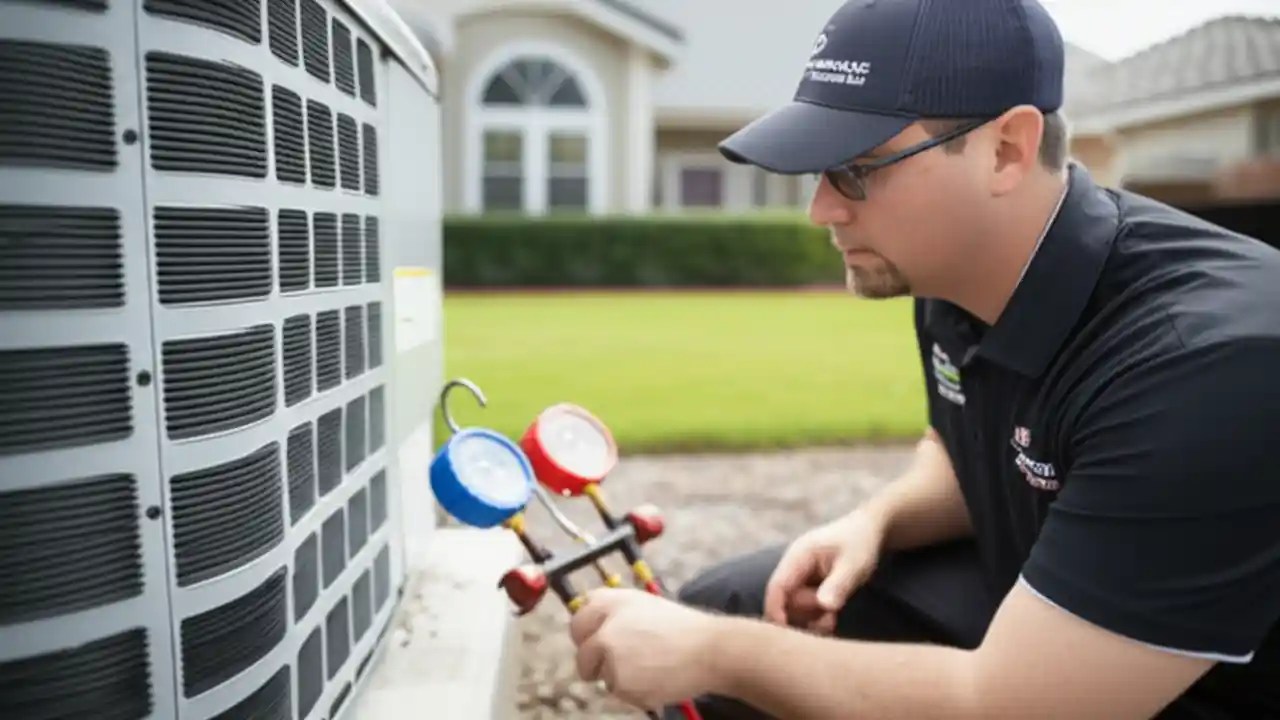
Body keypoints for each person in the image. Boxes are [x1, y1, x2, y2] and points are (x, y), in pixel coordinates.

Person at [566, 0, 1280, 718]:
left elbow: (1019, 708)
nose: (821, 209)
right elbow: (975, 443)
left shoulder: (1205, 366)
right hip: (1080, 630)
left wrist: (714, 651)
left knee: (725, 652)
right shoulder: (953, 272)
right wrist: (877, 521)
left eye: (856, 169)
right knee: (736, 605)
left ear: (1006, 149)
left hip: (1186, 685)